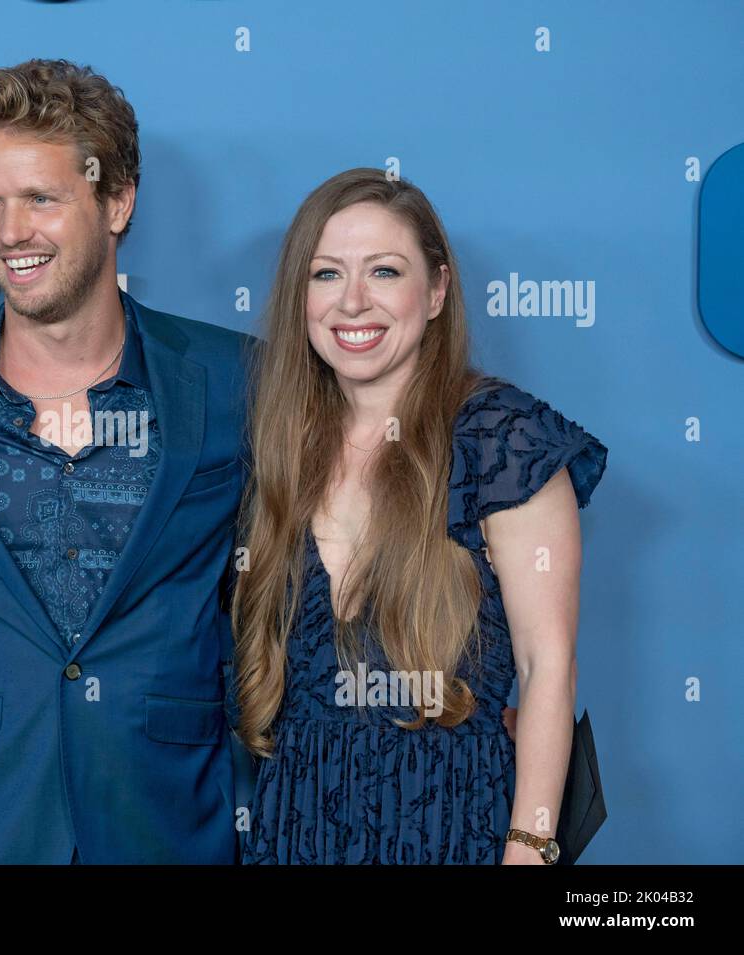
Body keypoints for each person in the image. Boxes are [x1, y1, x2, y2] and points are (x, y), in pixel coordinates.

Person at [0, 59, 256, 863]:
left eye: (42, 198)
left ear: (117, 201)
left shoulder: (234, 378)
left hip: (174, 822)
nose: (10, 232)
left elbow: (287, 597)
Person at [234, 168, 608, 864]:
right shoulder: (280, 448)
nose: (352, 302)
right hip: (299, 826)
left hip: (451, 823)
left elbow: (547, 663)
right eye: (325, 275)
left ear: (436, 291)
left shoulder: (500, 437)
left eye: (384, 271)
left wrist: (529, 846)